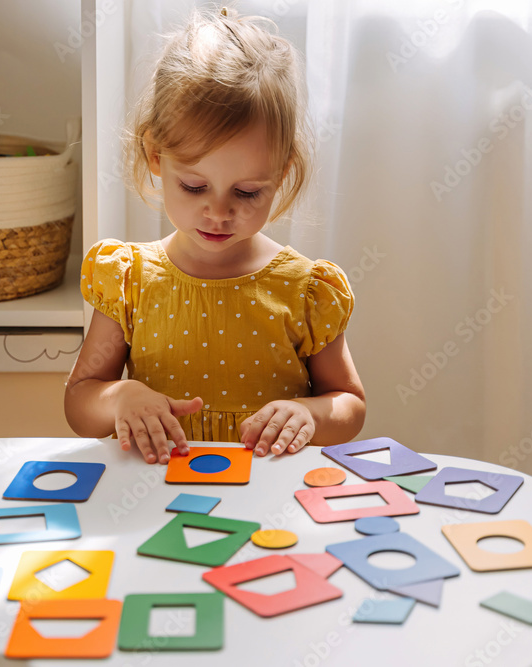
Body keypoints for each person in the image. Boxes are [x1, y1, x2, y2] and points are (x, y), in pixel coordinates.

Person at [65, 7, 365, 464]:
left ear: (282, 172)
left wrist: (309, 414)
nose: (219, 212)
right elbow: (80, 403)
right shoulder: (129, 279)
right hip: (154, 496)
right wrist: (120, 397)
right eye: (194, 186)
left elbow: (349, 403)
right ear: (154, 156)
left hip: (267, 498)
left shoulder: (307, 290)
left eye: (247, 192)